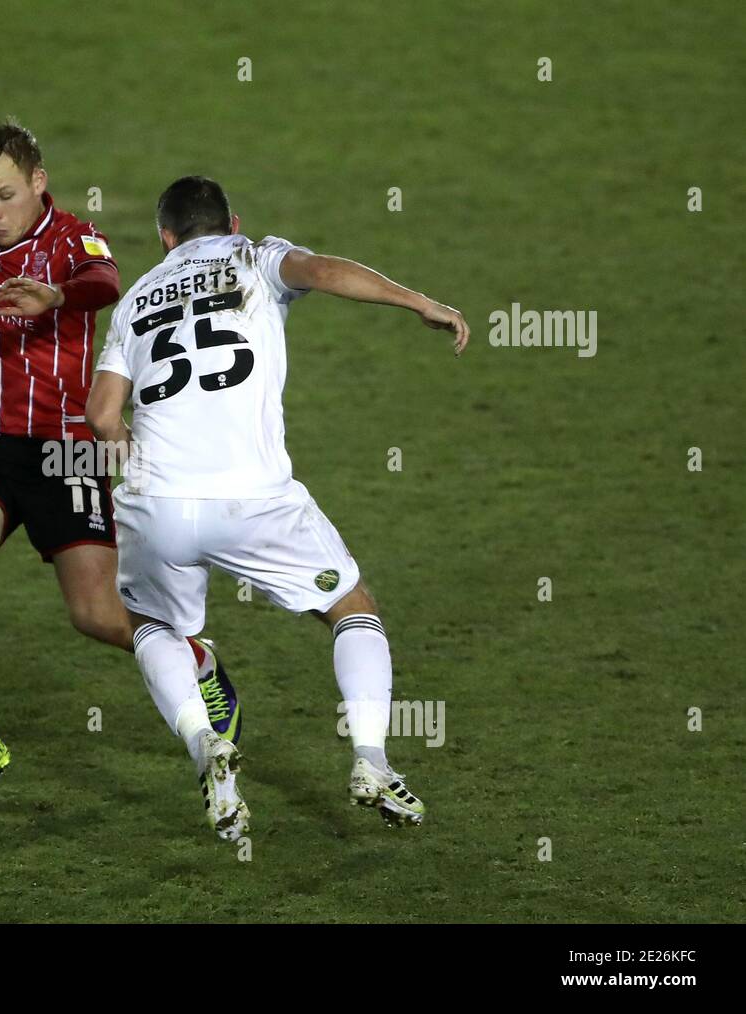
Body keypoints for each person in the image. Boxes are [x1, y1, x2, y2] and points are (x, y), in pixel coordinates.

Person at [0, 71, 240, 808]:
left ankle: (200, 662)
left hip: (64, 447)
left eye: (6, 195)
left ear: (38, 182)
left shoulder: (72, 235)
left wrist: (57, 294)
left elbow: (105, 281)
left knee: (95, 614)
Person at [86, 176, 468, 839]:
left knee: (150, 622)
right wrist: (418, 302)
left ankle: (206, 743)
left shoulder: (135, 300)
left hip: (159, 502)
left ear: (165, 238)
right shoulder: (254, 258)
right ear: (232, 223)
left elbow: (100, 416)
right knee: (352, 609)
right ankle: (371, 761)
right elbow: (320, 270)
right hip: (256, 499)